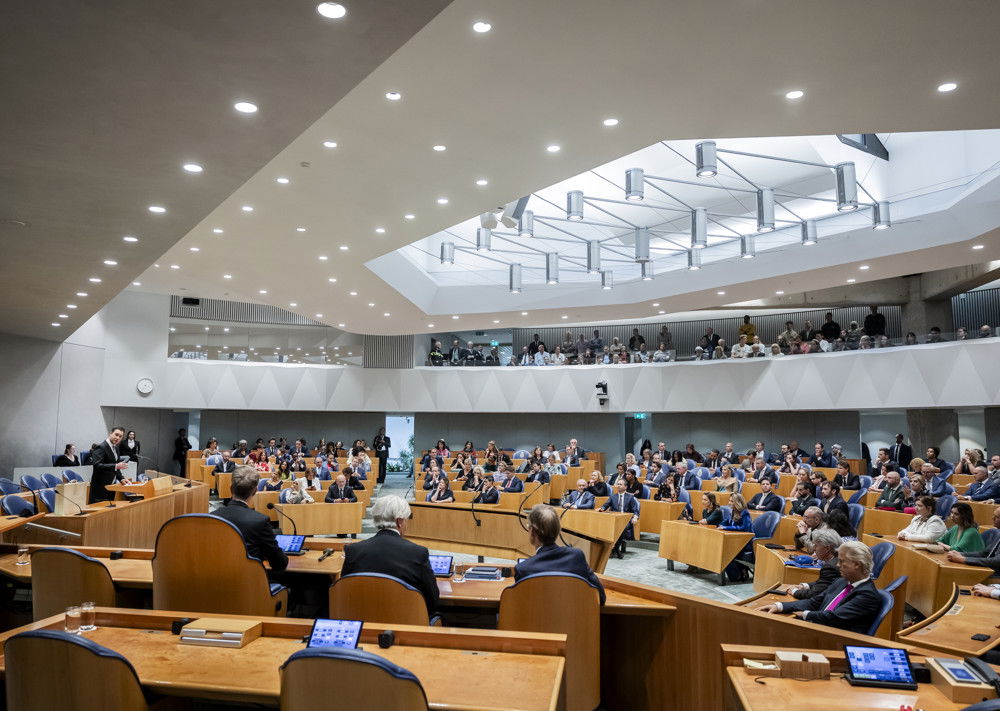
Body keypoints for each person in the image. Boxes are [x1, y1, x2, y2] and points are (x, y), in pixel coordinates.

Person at [341, 495, 439, 616]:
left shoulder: (353, 550)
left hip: (364, 624)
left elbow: (344, 593)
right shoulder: (418, 553)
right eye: (407, 519)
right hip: (407, 624)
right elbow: (433, 600)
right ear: (399, 521)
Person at [758, 540, 881, 634]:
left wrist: (805, 614)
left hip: (834, 639)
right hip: (817, 628)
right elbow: (814, 602)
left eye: (842, 561)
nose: (838, 565)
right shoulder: (841, 581)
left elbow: (834, 617)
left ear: (856, 565)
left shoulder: (867, 594)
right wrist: (780, 606)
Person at [515, 504, 606, 604]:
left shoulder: (523, 569)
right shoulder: (576, 556)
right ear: (558, 530)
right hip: (573, 618)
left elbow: (520, 607)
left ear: (532, 532)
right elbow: (600, 598)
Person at [212, 465, 288, 572]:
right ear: (255, 491)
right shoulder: (260, 521)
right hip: (249, 585)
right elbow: (280, 563)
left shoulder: (212, 517)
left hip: (216, 581)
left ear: (231, 488)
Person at [782, 528, 843, 601]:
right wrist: (804, 586)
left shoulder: (831, 567)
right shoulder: (837, 559)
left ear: (827, 548)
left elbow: (814, 594)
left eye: (816, 545)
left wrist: (794, 591)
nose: (814, 549)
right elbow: (824, 582)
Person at [946, 506, 1000, 574]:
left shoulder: (971, 531)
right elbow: (984, 553)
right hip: (988, 570)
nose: (992, 518)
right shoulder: (999, 534)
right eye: (993, 515)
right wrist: (961, 554)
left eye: (997, 517)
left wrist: (963, 559)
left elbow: (996, 561)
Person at [599, 479, 640, 558]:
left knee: (622, 528)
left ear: (625, 487)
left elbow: (635, 510)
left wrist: (635, 517)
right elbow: (605, 505)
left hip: (625, 520)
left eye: (621, 484)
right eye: (618, 484)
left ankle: (615, 548)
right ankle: (616, 549)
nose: (618, 486)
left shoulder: (630, 497)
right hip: (614, 519)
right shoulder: (613, 496)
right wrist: (602, 508)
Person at [89, 426, 130, 503]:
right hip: (100, 487)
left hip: (111, 486)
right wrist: (116, 466)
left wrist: (121, 478)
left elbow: (116, 467)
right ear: (110, 434)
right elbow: (97, 465)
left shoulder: (116, 448)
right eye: (116, 434)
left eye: (120, 436)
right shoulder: (101, 447)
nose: (118, 437)